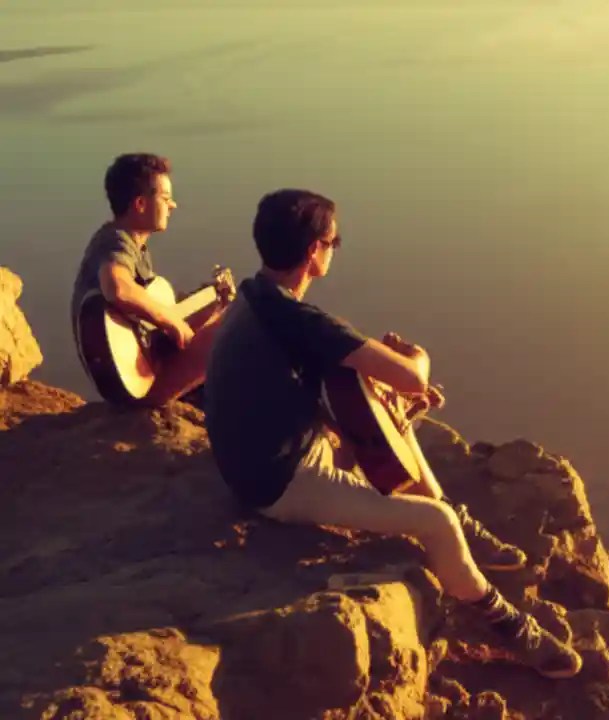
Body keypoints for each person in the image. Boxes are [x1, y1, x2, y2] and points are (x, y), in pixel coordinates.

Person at [203, 188, 582, 679]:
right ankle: (504, 622)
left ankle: (459, 521)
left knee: (391, 420)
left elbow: (326, 382)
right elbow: (414, 376)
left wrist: (384, 393)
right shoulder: (301, 318)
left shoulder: (256, 297)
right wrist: (414, 359)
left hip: (259, 455)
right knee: (434, 526)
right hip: (277, 483)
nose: (334, 250)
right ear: (314, 252)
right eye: (334, 243)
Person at [70, 153, 226, 406]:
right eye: (165, 198)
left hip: (133, 379)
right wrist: (172, 321)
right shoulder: (116, 241)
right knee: (228, 328)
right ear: (140, 203)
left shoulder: (130, 245)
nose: (173, 205)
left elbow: (147, 319)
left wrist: (204, 305)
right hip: (133, 386)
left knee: (215, 318)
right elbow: (117, 288)